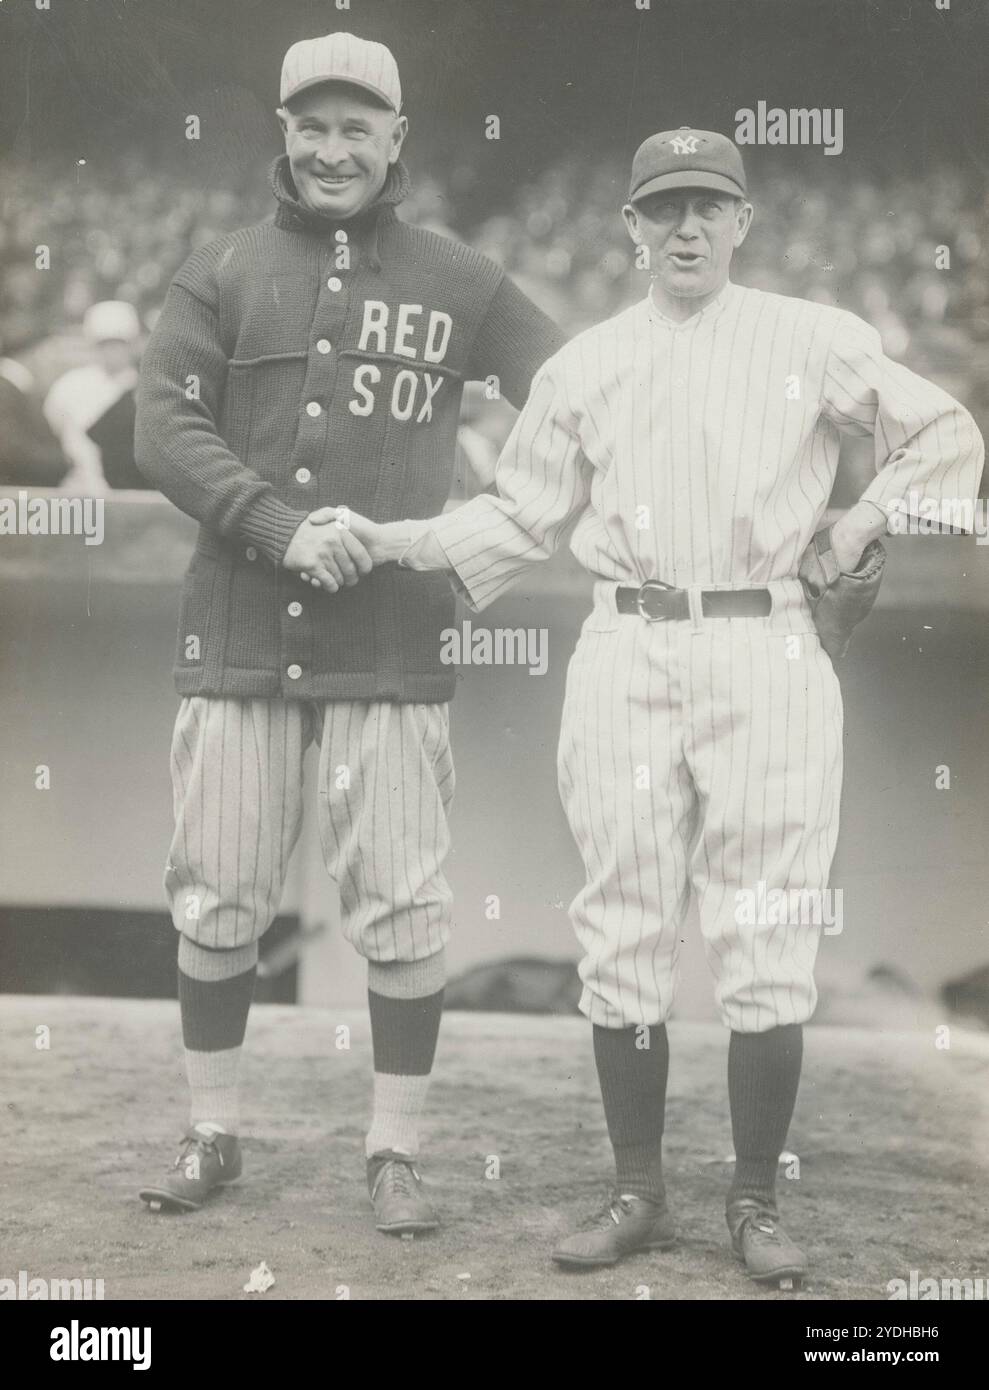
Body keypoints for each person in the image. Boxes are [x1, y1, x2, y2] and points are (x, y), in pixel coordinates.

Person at [337, 128, 984, 1282]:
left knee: (767, 925)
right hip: (625, 640)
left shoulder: (813, 336)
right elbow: (517, 513)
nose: (686, 227)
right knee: (624, 921)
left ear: (743, 222)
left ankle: (753, 1202)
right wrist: (398, 539)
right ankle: (635, 1187)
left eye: (708, 206)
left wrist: (864, 516)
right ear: (628, 227)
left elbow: (945, 430)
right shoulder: (581, 363)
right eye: (663, 208)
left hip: (766, 637)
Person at [133, 32, 562, 1234]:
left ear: (395, 141)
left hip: (390, 632)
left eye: (355, 128)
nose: (331, 150)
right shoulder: (218, 268)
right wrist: (272, 524)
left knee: (402, 902)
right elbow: (157, 430)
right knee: (217, 891)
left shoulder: (460, 278)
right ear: (283, 131)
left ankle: (396, 1151)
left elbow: (577, 398)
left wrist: (482, 531)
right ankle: (213, 1128)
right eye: (311, 126)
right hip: (239, 626)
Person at [43, 300, 143, 492]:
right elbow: (54, 428)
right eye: (105, 344)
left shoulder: (141, 387)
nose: (112, 351)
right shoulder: (69, 385)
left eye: (119, 344)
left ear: (133, 345)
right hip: (76, 485)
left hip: (126, 487)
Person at [0, 337, 69, 487]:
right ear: (35, 354)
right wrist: (65, 461)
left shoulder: (17, 388)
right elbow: (12, 451)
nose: (52, 364)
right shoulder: (5, 389)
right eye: (49, 355)